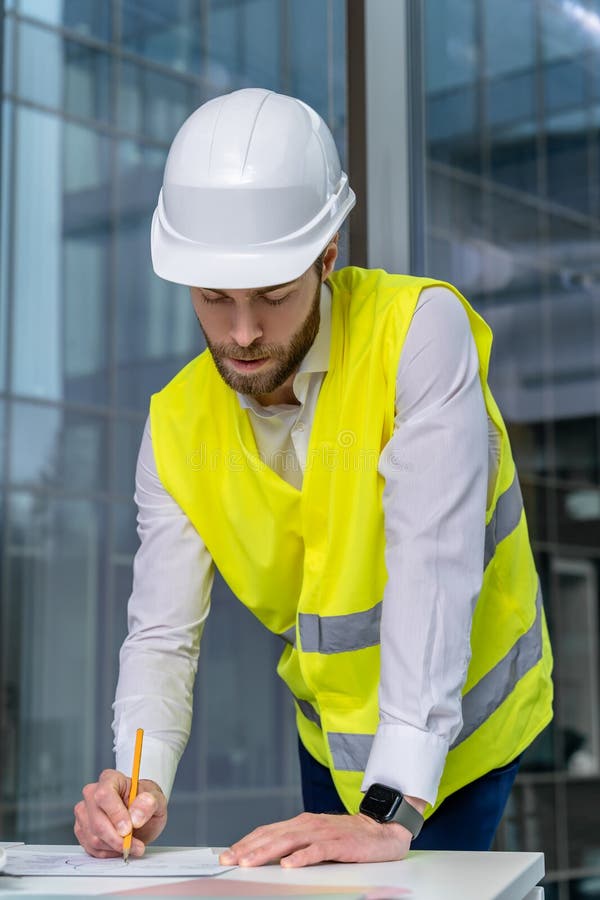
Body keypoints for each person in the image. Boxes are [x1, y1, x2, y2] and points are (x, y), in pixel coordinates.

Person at [74, 88, 553, 866]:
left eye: (272, 294)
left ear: (327, 256)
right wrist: (138, 783)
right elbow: (161, 635)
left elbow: (431, 568)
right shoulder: (175, 426)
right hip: (334, 739)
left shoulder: (417, 335)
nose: (242, 334)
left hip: (466, 722)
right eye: (213, 298)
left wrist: (391, 805)